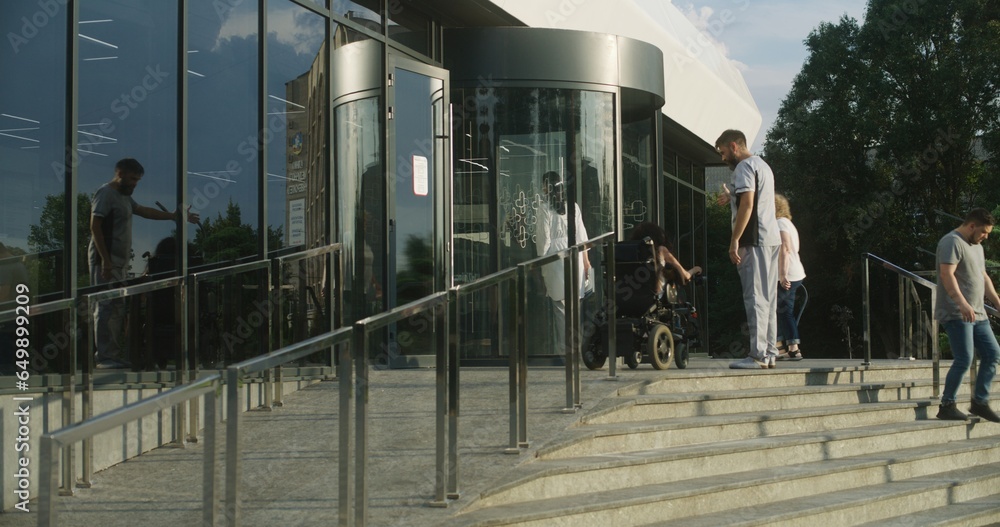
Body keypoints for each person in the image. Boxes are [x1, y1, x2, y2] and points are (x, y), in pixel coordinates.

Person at [88, 158, 199, 369]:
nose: (134, 184)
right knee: (105, 307)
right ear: (120, 174)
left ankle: (112, 354)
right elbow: (95, 226)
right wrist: (105, 261)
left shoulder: (124, 198)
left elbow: (144, 211)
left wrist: (174, 216)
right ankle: (104, 357)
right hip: (105, 261)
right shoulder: (105, 193)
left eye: (137, 181)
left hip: (120, 262)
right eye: (132, 179)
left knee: (117, 307)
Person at [715, 129, 781, 369]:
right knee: (769, 299)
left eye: (723, 152)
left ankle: (758, 355)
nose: (723, 158)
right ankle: (770, 352)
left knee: (755, 298)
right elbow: (753, 197)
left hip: (753, 240)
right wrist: (732, 195)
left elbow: (748, 204)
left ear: (734, 146)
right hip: (771, 238)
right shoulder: (762, 165)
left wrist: (735, 239)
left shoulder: (743, 167)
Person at [934, 208, 1000, 422]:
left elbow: (983, 276)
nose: (986, 237)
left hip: (979, 313)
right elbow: (947, 274)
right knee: (964, 358)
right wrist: (961, 302)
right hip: (956, 313)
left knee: (993, 353)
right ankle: (947, 405)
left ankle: (979, 402)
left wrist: (997, 302)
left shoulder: (977, 246)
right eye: (984, 232)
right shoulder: (951, 242)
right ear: (972, 226)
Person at [535, 171, 591, 354]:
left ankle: (564, 351)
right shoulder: (573, 206)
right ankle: (577, 349)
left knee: (561, 310)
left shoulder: (544, 209)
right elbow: (582, 238)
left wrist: (540, 264)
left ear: (547, 188)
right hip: (575, 258)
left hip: (555, 259)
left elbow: (544, 243)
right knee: (575, 308)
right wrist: (586, 263)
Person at [628, 222, 701, 296]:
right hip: (652, 298)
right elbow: (685, 276)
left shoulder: (631, 253)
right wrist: (695, 269)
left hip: (631, 296)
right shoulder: (661, 250)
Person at [774, 194, 806, 361]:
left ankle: (790, 349)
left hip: (788, 274)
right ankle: (784, 348)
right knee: (782, 311)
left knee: (783, 311)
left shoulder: (780, 223)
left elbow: (785, 249)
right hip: (794, 272)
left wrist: (782, 275)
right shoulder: (787, 223)